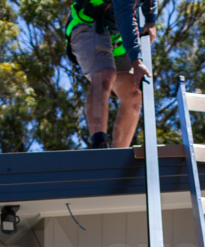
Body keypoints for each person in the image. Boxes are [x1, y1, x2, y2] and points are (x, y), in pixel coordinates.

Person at [66, 0, 158, 148]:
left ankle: (118, 157)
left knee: (133, 94)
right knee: (105, 73)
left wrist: (150, 19)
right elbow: (125, 15)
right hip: (88, 23)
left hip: (116, 34)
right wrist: (136, 61)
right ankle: (99, 146)